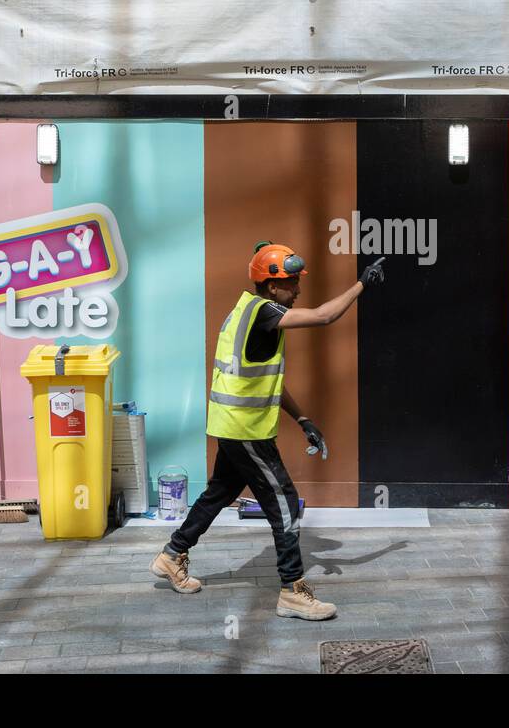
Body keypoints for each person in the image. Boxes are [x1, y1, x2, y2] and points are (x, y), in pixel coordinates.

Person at [150, 241, 385, 620]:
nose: (298, 289)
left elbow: (266, 380)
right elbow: (325, 316)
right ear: (273, 286)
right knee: (286, 504)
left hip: (231, 426)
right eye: (292, 283)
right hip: (247, 431)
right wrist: (362, 285)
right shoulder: (264, 313)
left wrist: (303, 418)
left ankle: (171, 555)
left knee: (218, 494)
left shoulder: (246, 309)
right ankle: (292, 590)